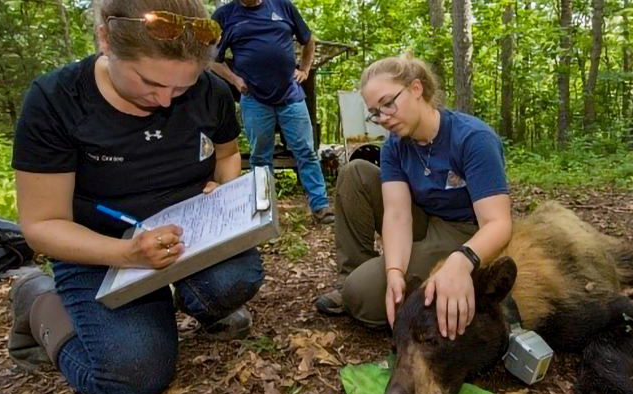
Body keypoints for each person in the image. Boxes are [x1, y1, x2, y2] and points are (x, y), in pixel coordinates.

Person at [9, 0, 264, 394]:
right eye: (149, 82)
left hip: (188, 233)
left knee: (239, 275)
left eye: (182, 87)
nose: (165, 101)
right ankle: (39, 301)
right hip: (100, 250)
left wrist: (223, 185)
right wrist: (126, 253)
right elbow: (42, 224)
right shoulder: (57, 101)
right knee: (132, 376)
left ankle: (183, 303)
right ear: (106, 40)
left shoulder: (211, 92)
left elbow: (228, 154)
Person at [314, 54, 513, 340]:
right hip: (420, 216)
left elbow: (499, 223)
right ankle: (354, 277)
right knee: (355, 172)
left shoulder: (472, 138)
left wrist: (462, 260)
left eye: (388, 103)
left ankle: (361, 291)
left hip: (463, 230)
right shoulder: (394, 146)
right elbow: (397, 214)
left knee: (362, 298)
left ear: (416, 89)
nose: (383, 118)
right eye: (375, 112)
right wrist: (394, 271)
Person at [210, 0, 334, 224]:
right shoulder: (225, 16)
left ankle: (320, 206)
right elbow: (211, 58)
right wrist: (236, 80)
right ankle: (264, 211)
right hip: (254, 98)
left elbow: (309, 40)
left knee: (306, 150)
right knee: (260, 155)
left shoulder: (282, 7)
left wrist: (304, 69)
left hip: (291, 95)